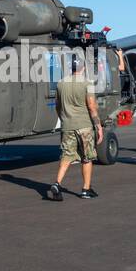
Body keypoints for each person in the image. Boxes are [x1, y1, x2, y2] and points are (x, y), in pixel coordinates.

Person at [48, 53, 103, 201]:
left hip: (67, 126)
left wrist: (63, 119)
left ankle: (57, 183)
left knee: (66, 156)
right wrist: (98, 125)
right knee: (87, 157)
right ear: (83, 67)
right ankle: (86, 189)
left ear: (70, 67)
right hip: (84, 126)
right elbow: (91, 107)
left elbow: (57, 106)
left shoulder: (60, 84)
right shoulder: (87, 84)